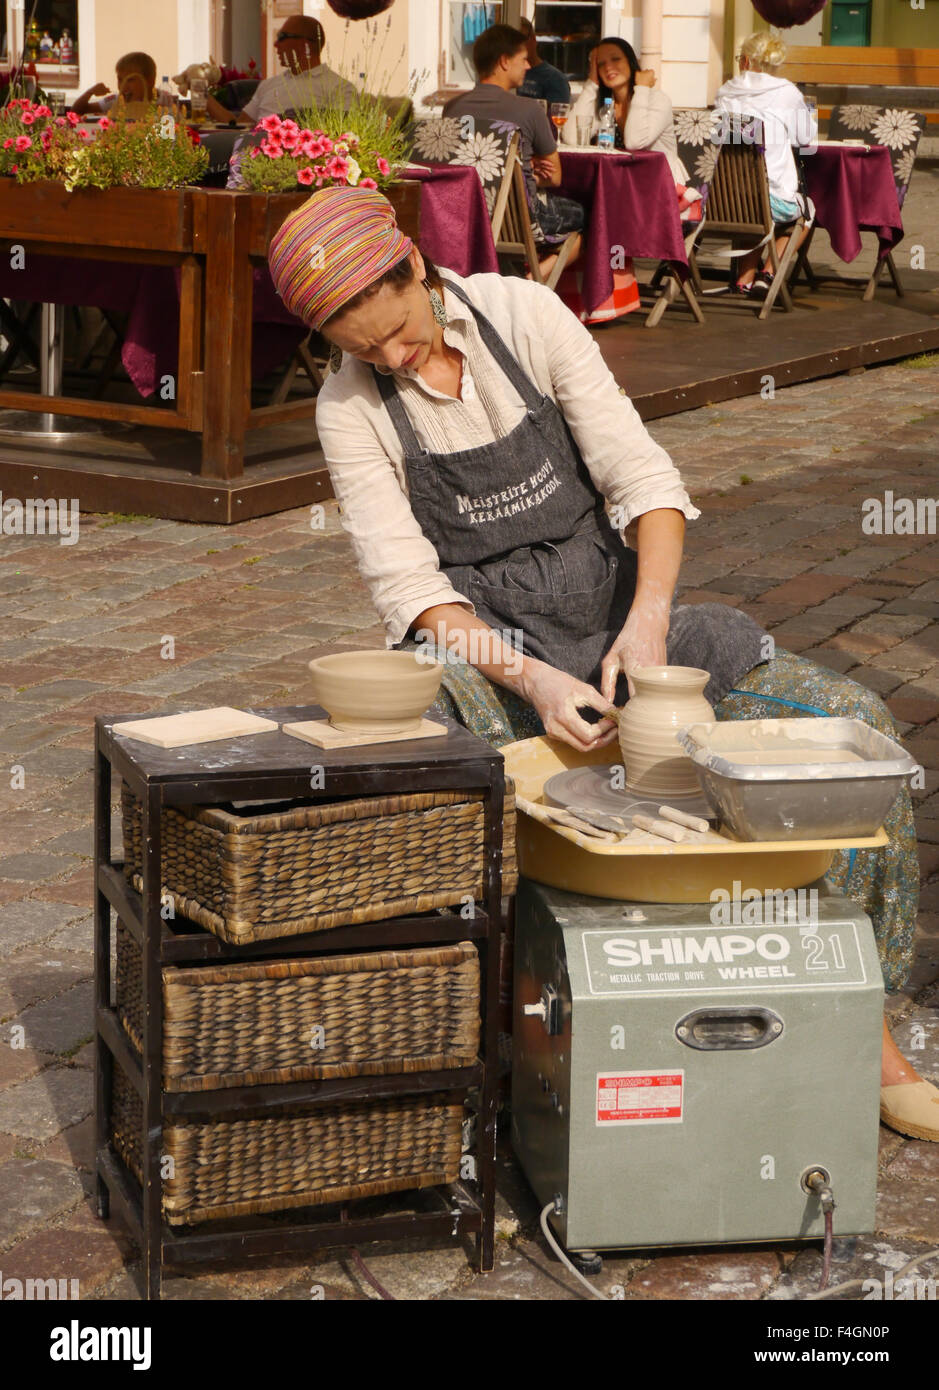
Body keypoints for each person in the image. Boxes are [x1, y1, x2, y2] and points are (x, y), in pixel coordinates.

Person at [267, 184, 935, 1142]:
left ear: (417, 267)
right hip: (491, 653)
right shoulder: (348, 406)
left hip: (623, 624)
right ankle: (498, 1044)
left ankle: (866, 1034)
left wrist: (649, 623)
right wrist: (534, 679)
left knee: (855, 728)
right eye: (365, 351)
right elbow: (410, 590)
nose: (394, 359)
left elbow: (643, 480)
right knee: (424, 769)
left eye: (400, 334)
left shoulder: (524, 315)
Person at [443, 24, 583, 278]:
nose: (528, 66)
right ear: (504, 62)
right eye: (523, 59)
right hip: (520, 221)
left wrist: (521, 170)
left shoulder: (452, 108)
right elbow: (555, 177)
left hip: (466, 217)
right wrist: (530, 175)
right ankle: (530, 281)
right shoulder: (529, 110)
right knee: (586, 218)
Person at [713, 31, 815, 296]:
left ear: (746, 60)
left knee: (752, 202)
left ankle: (743, 280)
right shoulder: (786, 92)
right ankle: (767, 274)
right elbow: (806, 139)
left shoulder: (725, 92)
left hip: (725, 201)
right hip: (769, 202)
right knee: (807, 210)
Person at [562, 37, 687, 184]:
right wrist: (592, 82)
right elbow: (572, 138)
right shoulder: (604, 104)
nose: (608, 67)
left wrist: (642, 88)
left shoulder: (657, 100)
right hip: (618, 183)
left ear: (630, 61)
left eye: (615, 59)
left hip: (657, 185)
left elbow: (635, 143)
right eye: (601, 64)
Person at [204, 14, 358, 126]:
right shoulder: (268, 85)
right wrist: (201, 92)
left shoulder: (339, 88)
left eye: (282, 37)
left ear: (305, 44)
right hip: (256, 155)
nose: (275, 44)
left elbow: (340, 137)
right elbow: (238, 126)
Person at [72, 52, 175, 116]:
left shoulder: (164, 100)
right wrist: (90, 92)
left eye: (130, 80)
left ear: (150, 81)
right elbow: (76, 111)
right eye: (120, 80)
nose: (123, 85)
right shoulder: (117, 100)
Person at [516, 16, 571, 107]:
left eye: (522, 39)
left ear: (533, 39)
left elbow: (558, 113)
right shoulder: (505, 75)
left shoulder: (554, 78)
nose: (518, 45)